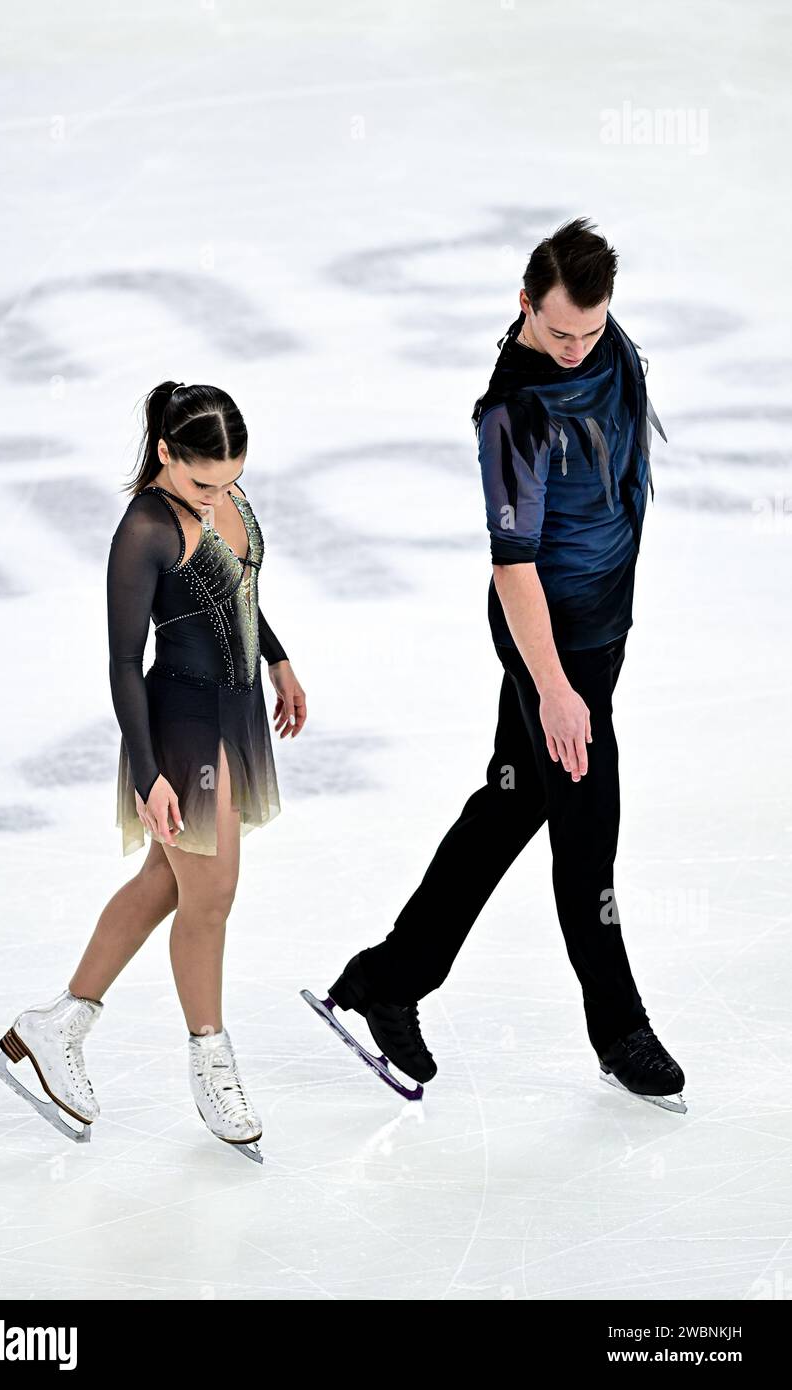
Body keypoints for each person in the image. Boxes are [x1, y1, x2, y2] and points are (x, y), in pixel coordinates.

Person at [317, 217, 687, 1113]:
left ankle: (387, 976)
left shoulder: (606, 344)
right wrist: (555, 690)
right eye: (558, 331)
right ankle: (620, 1027)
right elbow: (512, 567)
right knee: (586, 823)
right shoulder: (514, 415)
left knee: (515, 796)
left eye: (590, 331)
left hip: (603, 628)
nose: (575, 348)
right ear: (524, 305)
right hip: (548, 644)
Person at [0, 383, 307, 1157]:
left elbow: (240, 588)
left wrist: (281, 661)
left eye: (231, 480)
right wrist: (147, 772)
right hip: (183, 726)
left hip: (238, 709)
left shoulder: (220, 492)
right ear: (165, 452)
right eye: (203, 483)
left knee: (169, 879)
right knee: (213, 894)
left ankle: (57, 1024)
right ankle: (210, 1058)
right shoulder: (145, 529)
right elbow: (126, 662)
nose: (219, 495)